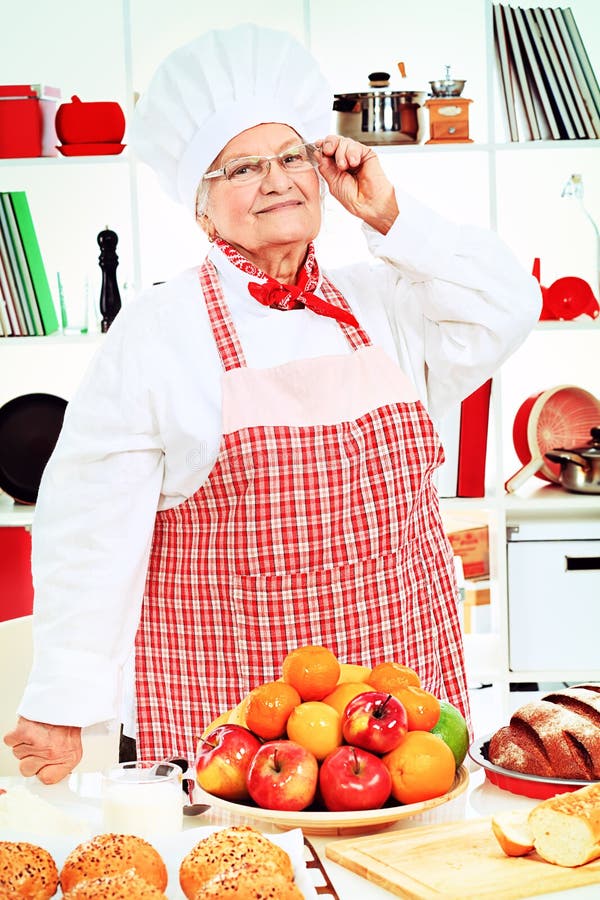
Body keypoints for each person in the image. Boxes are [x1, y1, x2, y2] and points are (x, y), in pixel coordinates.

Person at [4, 24, 540, 784]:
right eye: (243, 168)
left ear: (324, 173)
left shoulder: (382, 298)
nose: (277, 180)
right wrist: (61, 700)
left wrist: (389, 214)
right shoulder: (160, 329)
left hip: (400, 702)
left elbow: (509, 304)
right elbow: (89, 524)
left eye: (293, 157)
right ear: (201, 208)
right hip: (236, 716)